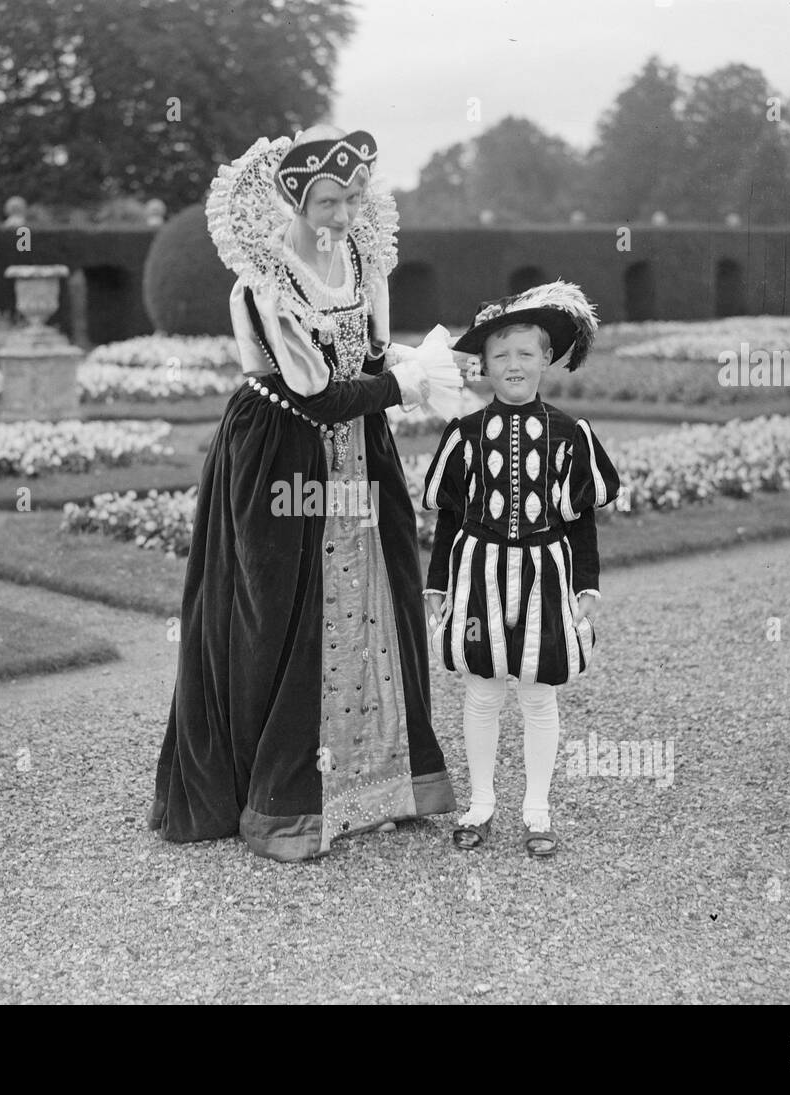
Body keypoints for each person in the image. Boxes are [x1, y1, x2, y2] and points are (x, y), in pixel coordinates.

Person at [149, 126, 462, 861]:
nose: (343, 217)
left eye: (352, 200)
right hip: (281, 454)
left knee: (383, 599)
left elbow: (374, 355)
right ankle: (288, 801)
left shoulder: (361, 258)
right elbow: (315, 391)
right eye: (328, 201)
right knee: (281, 614)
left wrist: (414, 365)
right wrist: (402, 386)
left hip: (362, 451)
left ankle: (381, 782)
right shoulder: (262, 284)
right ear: (295, 196)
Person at [421, 281, 620, 858]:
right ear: (482, 366)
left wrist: (586, 584)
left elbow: (581, 520)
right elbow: (450, 521)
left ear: (547, 360)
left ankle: (537, 808)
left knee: (538, 693)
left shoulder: (570, 434)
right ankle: (481, 802)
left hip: (546, 574)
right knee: (482, 691)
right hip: (478, 573)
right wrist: (438, 583)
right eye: (500, 354)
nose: (513, 364)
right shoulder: (461, 436)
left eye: (526, 353)